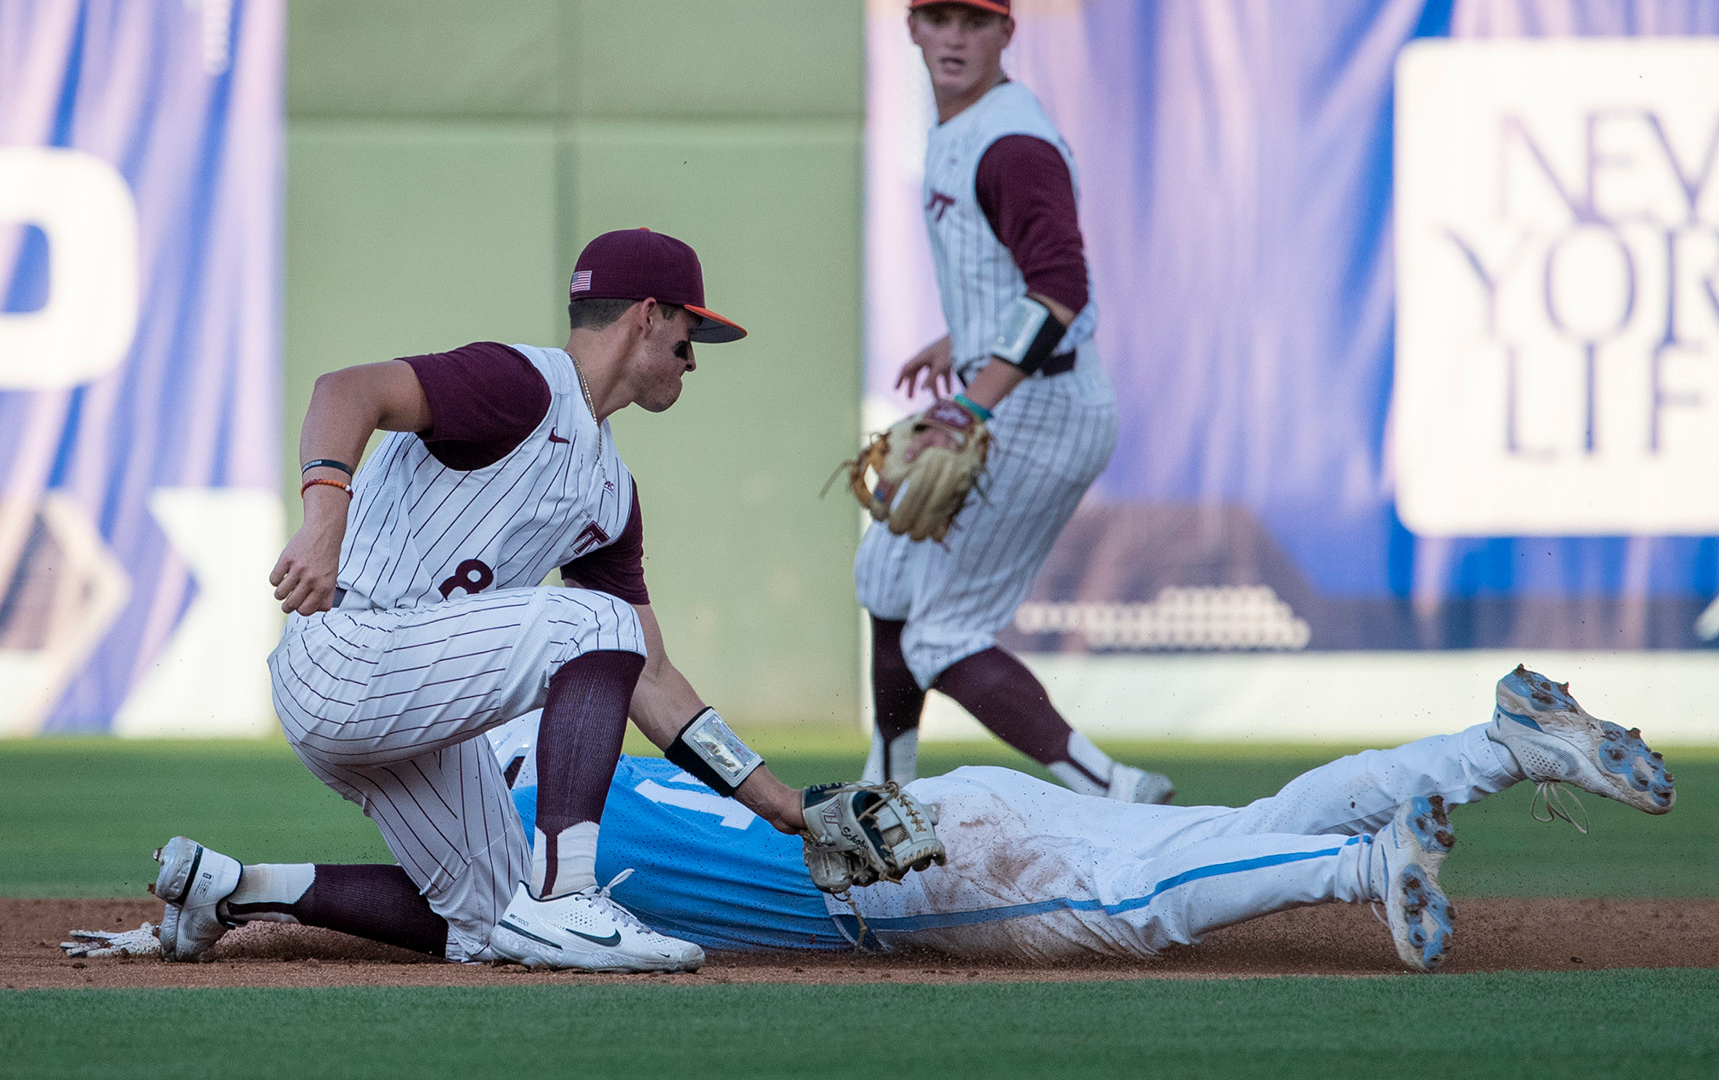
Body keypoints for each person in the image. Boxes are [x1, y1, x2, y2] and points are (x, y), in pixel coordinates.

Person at [169, 228, 827, 974]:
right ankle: (565, 894)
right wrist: (325, 516)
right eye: (687, 335)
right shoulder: (524, 385)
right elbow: (344, 390)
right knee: (598, 623)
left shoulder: (610, 494)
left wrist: (781, 804)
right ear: (647, 315)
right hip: (348, 651)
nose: (693, 358)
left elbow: (651, 675)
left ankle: (229, 892)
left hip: (412, 707)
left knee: (488, 924)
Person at [85, 667, 1674, 972]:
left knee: (1128, 913)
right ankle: (1491, 748)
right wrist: (254, 881)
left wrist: (266, 884)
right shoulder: (584, 789)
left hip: (898, 887)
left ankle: (1356, 865)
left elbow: (445, 912)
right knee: (1198, 842)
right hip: (920, 811)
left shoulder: (528, 861)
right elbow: (435, 901)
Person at [855, 0, 1172, 802]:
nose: (955, 36)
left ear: (1006, 33)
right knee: (885, 578)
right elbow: (1006, 279)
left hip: (1045, 410)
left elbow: (1061, 288)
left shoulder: (1011, 143)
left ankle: (1113, 788)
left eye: (975, 19)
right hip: (1014, 392)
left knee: (942, 632)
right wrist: (960, 341)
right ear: (913, 29)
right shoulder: (961, 126)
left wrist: (971, 404)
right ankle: (885, 791)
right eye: (939, 17)